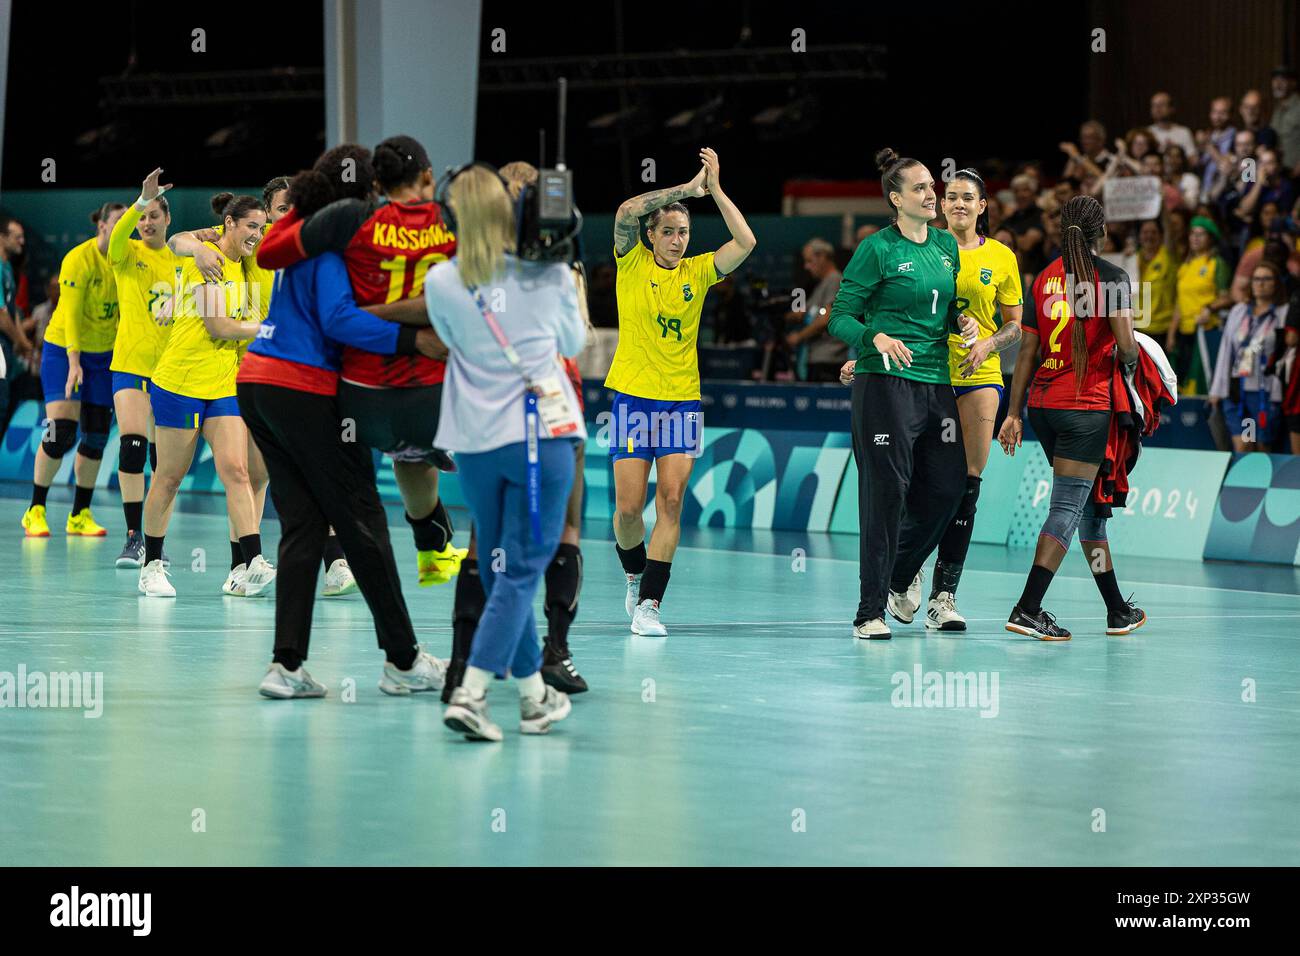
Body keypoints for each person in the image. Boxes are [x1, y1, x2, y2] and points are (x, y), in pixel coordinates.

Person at [237, 145, 448, 699]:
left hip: (257, 384)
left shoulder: (303, 231)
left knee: (304, 526)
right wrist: (413, 338)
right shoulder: (332, 244)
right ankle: (403, 663)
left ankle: (286, 667)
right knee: (363, 524)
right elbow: (336, 320)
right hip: (301, 390)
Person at [256, 134, 466, 588]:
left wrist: (310, 201)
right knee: (416, 452)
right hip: (431, 390)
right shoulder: (453, 219)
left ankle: (345, 570)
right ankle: (434, 549)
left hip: (359, 393)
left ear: (378, 183)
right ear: (428, 177)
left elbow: (268, 253)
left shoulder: (349, 220)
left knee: (350, 483)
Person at [428, 164, 585, 741]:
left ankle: (532, 696)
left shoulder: (441, 281)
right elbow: (572, 344)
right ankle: (471, 694)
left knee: (497, 569)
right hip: (540, 438)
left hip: (474, 444)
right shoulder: (549, 279)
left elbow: (448, 339)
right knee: (521, 569)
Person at [605, 147, 756, 636]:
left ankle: (650, 603)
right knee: (629, 509)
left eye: (683, 232)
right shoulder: (630, 262)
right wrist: (687, 191)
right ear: (651, 236)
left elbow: (746, 240)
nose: (675, 240)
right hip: (631, 396)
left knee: (670, 502)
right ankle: (633, 573)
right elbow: (627, 210)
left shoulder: (699, 270)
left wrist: (714, 191)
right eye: (667, 232)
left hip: (681, 402)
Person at [827, 148, 977, 639]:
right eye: (920, 188)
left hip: (937, 383)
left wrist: (963, 319)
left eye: (932, 186)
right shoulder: (877, 248)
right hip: (885, 384)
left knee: (950, 487)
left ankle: (897, 575)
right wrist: (875, 337)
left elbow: (948, 301)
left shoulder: (945, 246)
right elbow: (840, 315)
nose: (932, 194)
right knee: (885, 495)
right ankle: (869, 611)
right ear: (896, 199)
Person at [998, 195, 1146, 641]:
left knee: (1089, 508)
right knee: (1067, 507)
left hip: (1043, 406)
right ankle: (1028, 607)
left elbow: (1027, 350)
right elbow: (1126, 349)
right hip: (1084, 408)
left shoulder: (1042, 278)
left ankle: (1117, 609)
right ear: (1103, 231)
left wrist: (1014, 413)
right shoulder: (1114, 278)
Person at [137, 194, 273, 598]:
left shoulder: (245, 261)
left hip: (223, 384)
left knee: (238, 471)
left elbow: (180, 238)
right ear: (229, 223)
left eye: (262, 227)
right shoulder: (208, 261)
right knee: (169, 477)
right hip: (180, 382)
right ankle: (151, 565)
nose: (257, 234)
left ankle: (249, 564)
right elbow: (218, 326)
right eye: (251, 226)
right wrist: (267, 329)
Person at [916, 168, 1023, 630]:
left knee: (967, 483)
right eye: (951, 196)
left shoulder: (1001, 257)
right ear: (942, 205)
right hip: (926, 372)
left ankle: (944, 597)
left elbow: (1016, 325)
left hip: (980, 374)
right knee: (923, 480)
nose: (958, 203)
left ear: (983, 206)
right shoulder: (924, 247)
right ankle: (906, 573)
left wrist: (987, 344)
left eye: (968, 197)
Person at [21, 203, 125, 539]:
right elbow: (74, 316)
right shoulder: (78, 259)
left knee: (95, 436)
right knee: (60, 431)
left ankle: (80, 514)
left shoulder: (128, 259)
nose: (127, 228)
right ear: (103, 226)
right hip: (64, 349)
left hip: (104, 355)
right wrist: (75, 363)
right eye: (119, 222)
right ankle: (35, 509)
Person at [106, 168, 183, 567]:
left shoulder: (182, 262)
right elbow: (117, 236)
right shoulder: (127, 254)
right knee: (132, 445)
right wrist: (138, 200)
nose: (148, 222)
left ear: (168, 219)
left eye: (155, 215)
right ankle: (133, 537)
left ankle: (156, 541)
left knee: (163, 462)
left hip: (170, 372)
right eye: (142, 216)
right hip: (131, 365)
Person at [1209, 260, 1288, 451]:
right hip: (1238, 389)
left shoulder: (1283, 313)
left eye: (1266, 279)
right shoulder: (1239, 311)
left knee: (1262, 447)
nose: (1260, 284)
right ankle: (1244, 481)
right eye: (1256, 279)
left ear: (1276, 283)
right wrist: (1217, 389)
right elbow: (1227, 350)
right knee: (1244, 446)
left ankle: (1260, 481)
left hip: (1266, 391)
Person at [1169, 217, 1231, 393]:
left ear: (1210, 238)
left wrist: (1209, 308)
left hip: (1206, 330)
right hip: (1184, 332)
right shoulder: (1185, 266)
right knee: (1181, 381)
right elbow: (1179, 304)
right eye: (1193, 234)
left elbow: (1227, 297)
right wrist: (1172, 333)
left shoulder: (1216, 264)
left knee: (1201, 381)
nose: (1195, 238)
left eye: (1201, 234)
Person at [784, 238, 845, 382]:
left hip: (829, 360)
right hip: (816, 357)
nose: (806, 267)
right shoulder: (820, 285)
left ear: (822, 257)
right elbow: (805, 312)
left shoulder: (835, 280)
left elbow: (825, 319)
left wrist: (798, 337)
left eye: (809, 261)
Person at [1, 214, 34, 438]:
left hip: (6, 350)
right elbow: (1, 315)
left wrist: (21, 340)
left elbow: (14, 314)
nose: (22, 241)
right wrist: (21, 341)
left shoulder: (8, 270)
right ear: (1, 238)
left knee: (5, 405)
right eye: (16, 237)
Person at [1134, 219, 1177, 338]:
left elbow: (1169, 229)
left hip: (1163, 328)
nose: (1149, 236)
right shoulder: (1133, 258)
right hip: (1139, 326)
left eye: (1154, 232)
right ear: (1139, 236)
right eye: (1145, 232)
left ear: (1161, 235)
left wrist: (1162, 204)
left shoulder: (1167, 255)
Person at [1270, 66, 1300, 177]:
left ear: (1293, 83)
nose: (1277, 85)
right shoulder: (1277, 108)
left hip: (1295, 172)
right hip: (1279, 171)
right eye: (1275, 80)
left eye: (1282, 81)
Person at [1148, 91, 1197, 157]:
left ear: (1171, 108)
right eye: (1154, 105)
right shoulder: (1147, 133)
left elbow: (1193, 160)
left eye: (1161, 105)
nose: (1157, 109)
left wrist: (1176, 151)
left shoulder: (1183, 132)